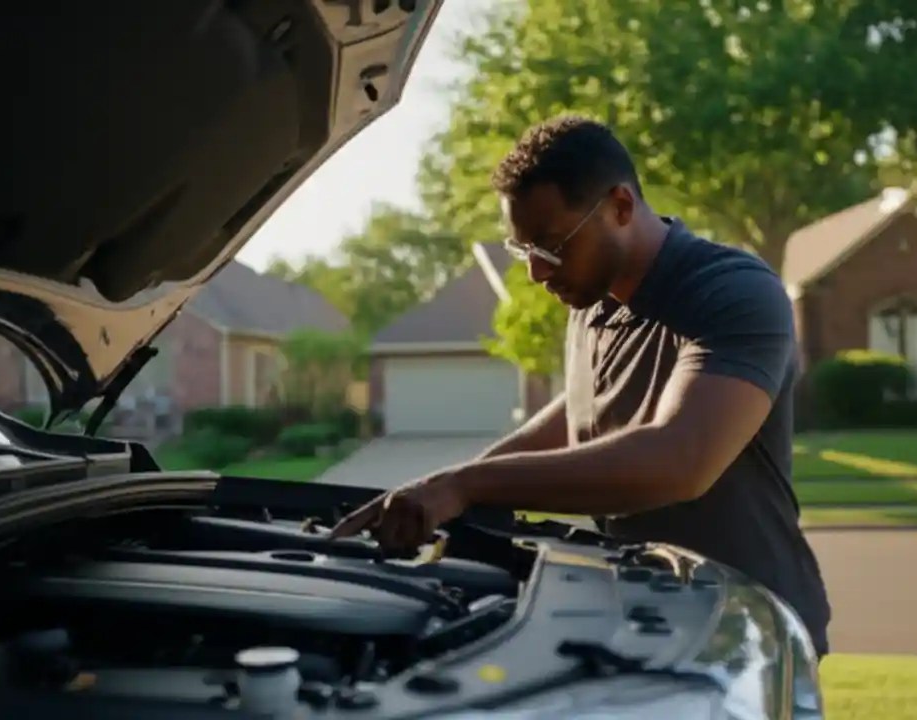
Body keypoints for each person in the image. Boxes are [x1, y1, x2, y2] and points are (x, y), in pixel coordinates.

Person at [331, 115, 831, 656]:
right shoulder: (592, 305)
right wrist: (445, 488)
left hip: (749, 633)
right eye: (524, 251)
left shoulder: (732, 290)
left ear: (620, 207)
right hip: (649, 621)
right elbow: (580, 414)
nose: (537, 274)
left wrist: (468, 485)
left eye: (551, 245)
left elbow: (682, 460)